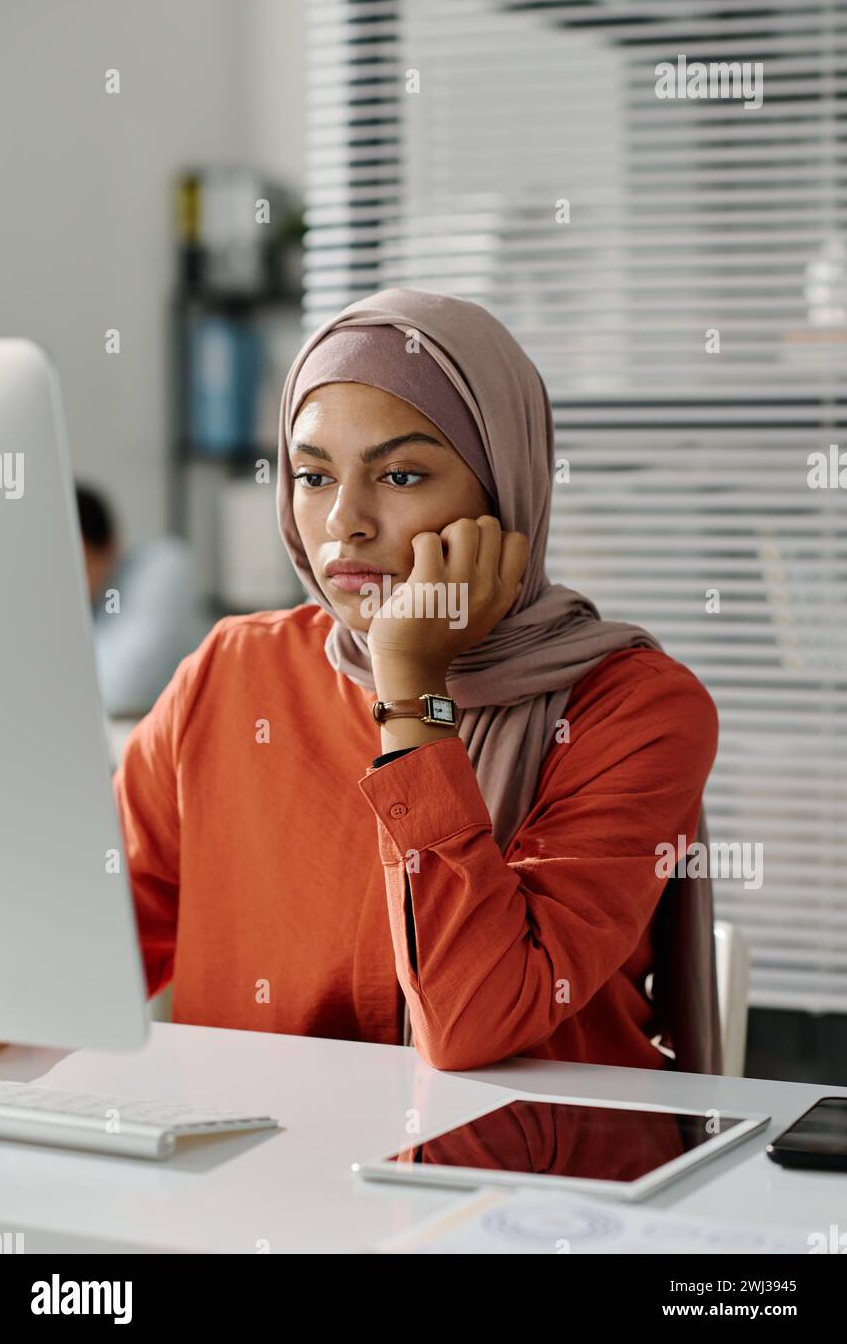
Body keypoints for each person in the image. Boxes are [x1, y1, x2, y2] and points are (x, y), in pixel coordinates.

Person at [107, 287, 722, 1074]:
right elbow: (93, 954)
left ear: (503, 488)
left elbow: (476, 1020)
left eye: (399, 477)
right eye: (313, 475)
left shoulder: (634, 707)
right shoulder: (233, 673)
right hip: (255, 1170)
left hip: (523, 1179)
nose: (343, 522)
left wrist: (411, 688)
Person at [76, 484, 214, 718]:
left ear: (110, 547)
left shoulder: (165, 565)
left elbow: (122, 690)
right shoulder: (88, 604)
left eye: (81, 564)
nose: (73, 582)